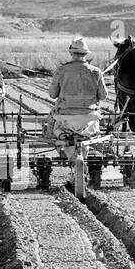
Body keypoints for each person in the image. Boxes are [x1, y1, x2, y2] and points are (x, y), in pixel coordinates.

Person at [46, 37, 108, 178]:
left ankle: (73, 162)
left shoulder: (61, 70)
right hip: (89, 121)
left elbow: (52, 94)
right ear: (85, 54)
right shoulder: (96, 71)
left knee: (56, 128)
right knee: (84, 139)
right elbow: (103, 96)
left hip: (65, 120)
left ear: (71, 53)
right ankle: (80, 163)